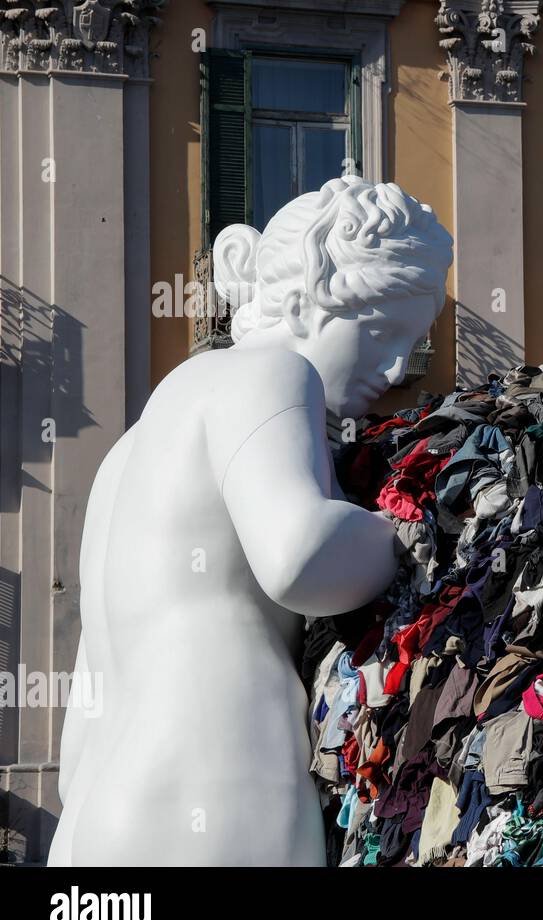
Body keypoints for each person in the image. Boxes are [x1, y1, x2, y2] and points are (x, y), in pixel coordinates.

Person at [47, 177, 453, 865]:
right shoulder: (272, 375)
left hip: (97, 811)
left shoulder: (132, 447)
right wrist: (420, 534)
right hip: (221, 780)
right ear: (310, 297)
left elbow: (77, 723)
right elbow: (299, 556)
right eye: (384, 332)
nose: (391, 368)